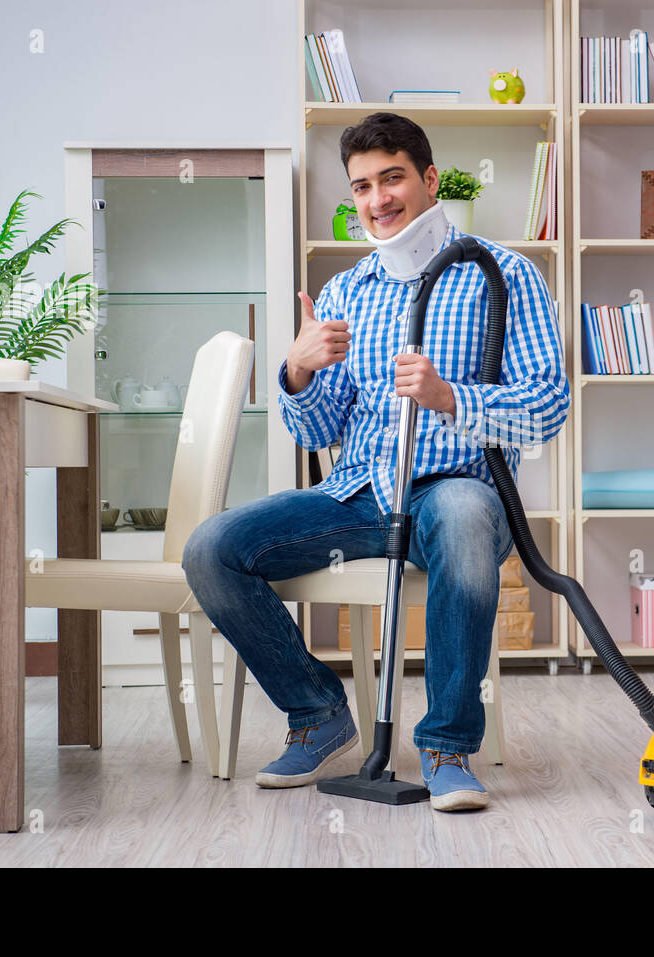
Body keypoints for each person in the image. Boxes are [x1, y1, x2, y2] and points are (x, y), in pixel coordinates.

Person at [181, 112, 570, 811]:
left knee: (459, 517)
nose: (376, 200)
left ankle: (447, 746)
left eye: (391, 178)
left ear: (427, 179)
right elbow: (319, 426)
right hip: (360, 492)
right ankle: (318, 713)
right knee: (212, 548)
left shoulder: (503, 275)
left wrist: (453, 398)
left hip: (463, 489)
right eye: (361, 186)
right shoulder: (346, 292)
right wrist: (297, 374)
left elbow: (548, 406)